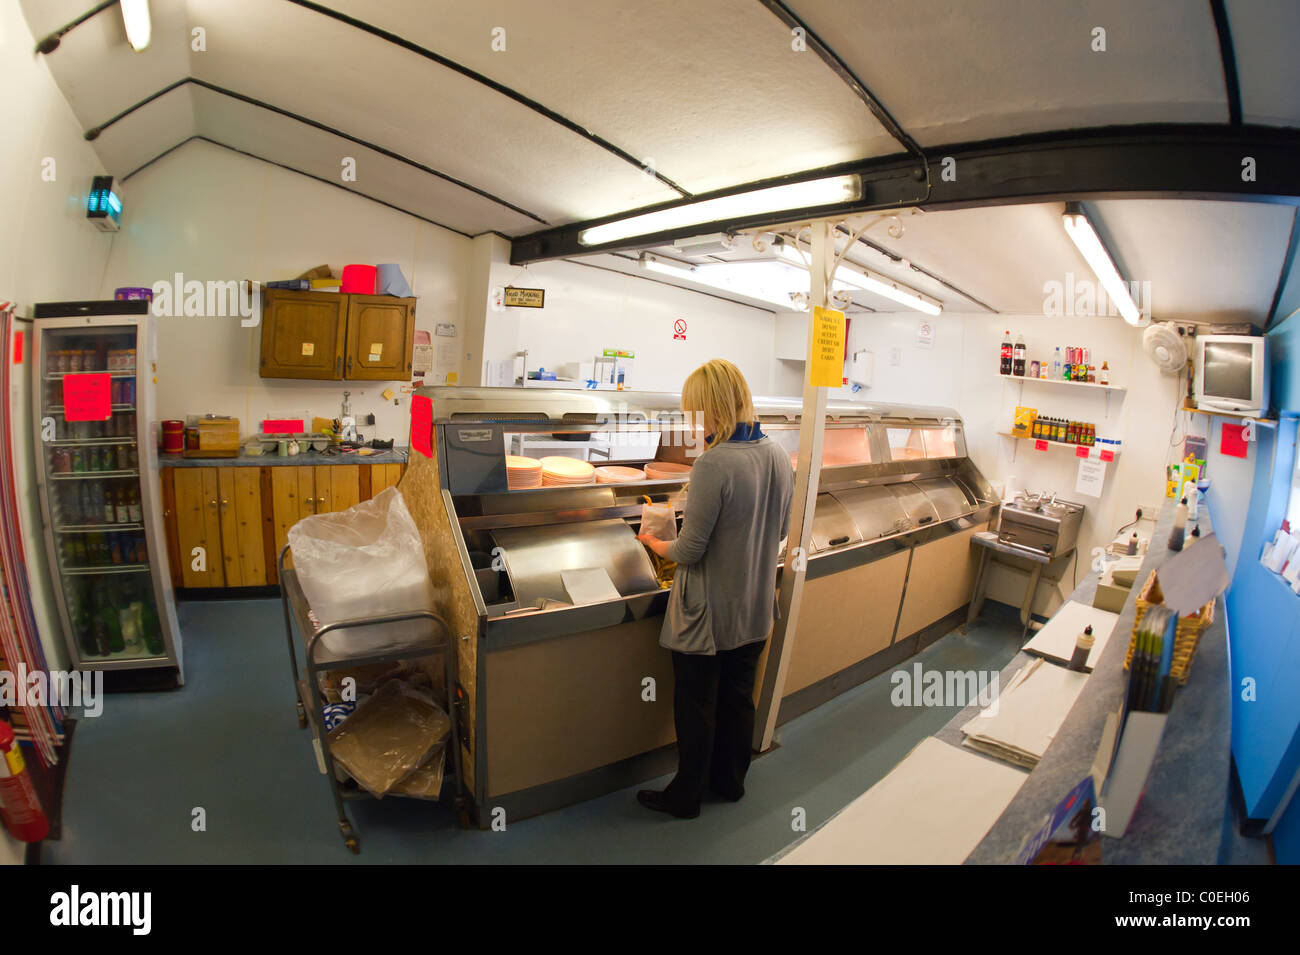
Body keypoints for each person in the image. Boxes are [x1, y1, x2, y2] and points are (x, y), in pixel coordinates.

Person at [636, 359, 794, 818]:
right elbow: (781, 530)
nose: (689, 421)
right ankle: (730, 783)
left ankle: (685, 795)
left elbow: (688, 550)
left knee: (697, 704)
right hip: (755, 607)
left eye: (693, 411)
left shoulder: (714, 463)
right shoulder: (778, 455)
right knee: (737, 698)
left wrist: (652, 541)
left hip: (709, 616)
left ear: (711, 408)